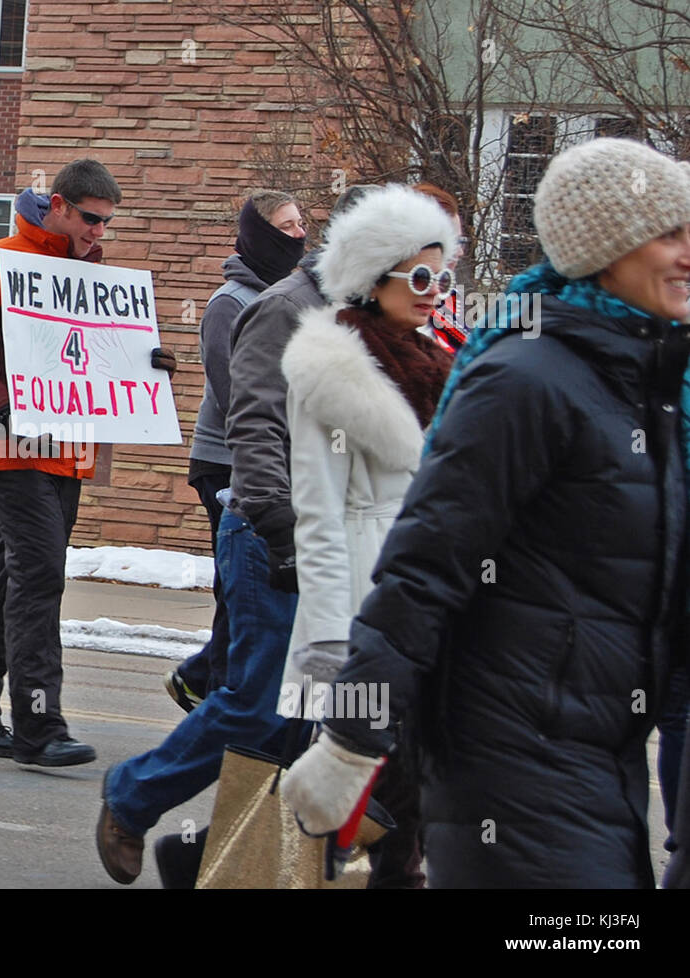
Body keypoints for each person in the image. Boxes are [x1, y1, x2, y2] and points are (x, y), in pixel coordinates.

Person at [283, 137, 690, 888]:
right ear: (607, 247)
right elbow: (423, 556)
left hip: (603, 751)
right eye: (671, 234)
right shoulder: (521, 377)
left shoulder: (651, 387)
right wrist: (348, 731)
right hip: (508, 749)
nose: (439, 287)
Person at [99, 185, 376, 887]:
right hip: (267, 532)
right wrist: (282, 534)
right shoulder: (279, 308)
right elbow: (252, 424)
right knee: (255, 702)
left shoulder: (367, 319)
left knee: (307, 714)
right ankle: (133, 796)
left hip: (337, 538)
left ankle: (219, 858)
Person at [0, 158, 175, 767]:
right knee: (40, 575)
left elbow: (91, 361)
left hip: (67, 453)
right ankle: (40, 726)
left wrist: (145, 364)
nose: (99, 233)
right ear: (60, 205)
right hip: (10, 448)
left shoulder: (93, 280)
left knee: (14, 578)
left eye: (107, 225)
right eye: (92, 220)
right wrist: (1, 405)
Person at [278, 184, 457, 888]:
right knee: (369, 788)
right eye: (418, 276)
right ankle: (216, 859)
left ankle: (205, 858)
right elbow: (318, 516)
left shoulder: (438, 363)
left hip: (425, 599)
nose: (434, 291)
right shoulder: (331, 370)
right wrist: (328, 647)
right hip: (361, 599)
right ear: (371, 279)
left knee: (405, 789)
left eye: (441, 277)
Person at [166, 190, 306, 713]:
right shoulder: (232, 303)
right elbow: (238, 396)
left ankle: (205, 679)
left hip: (273, 459)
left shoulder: (294, 297)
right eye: (287, 226)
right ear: (261, 235)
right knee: (241, 586)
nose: (299, 235)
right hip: (228, 461)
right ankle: (221, 694)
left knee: (244, 591)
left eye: (301, 224)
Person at [411, 182, 467, 353]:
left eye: (461, 241)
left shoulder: (447, 303)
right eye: (451, 242)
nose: (460, 252)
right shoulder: (404, 310)